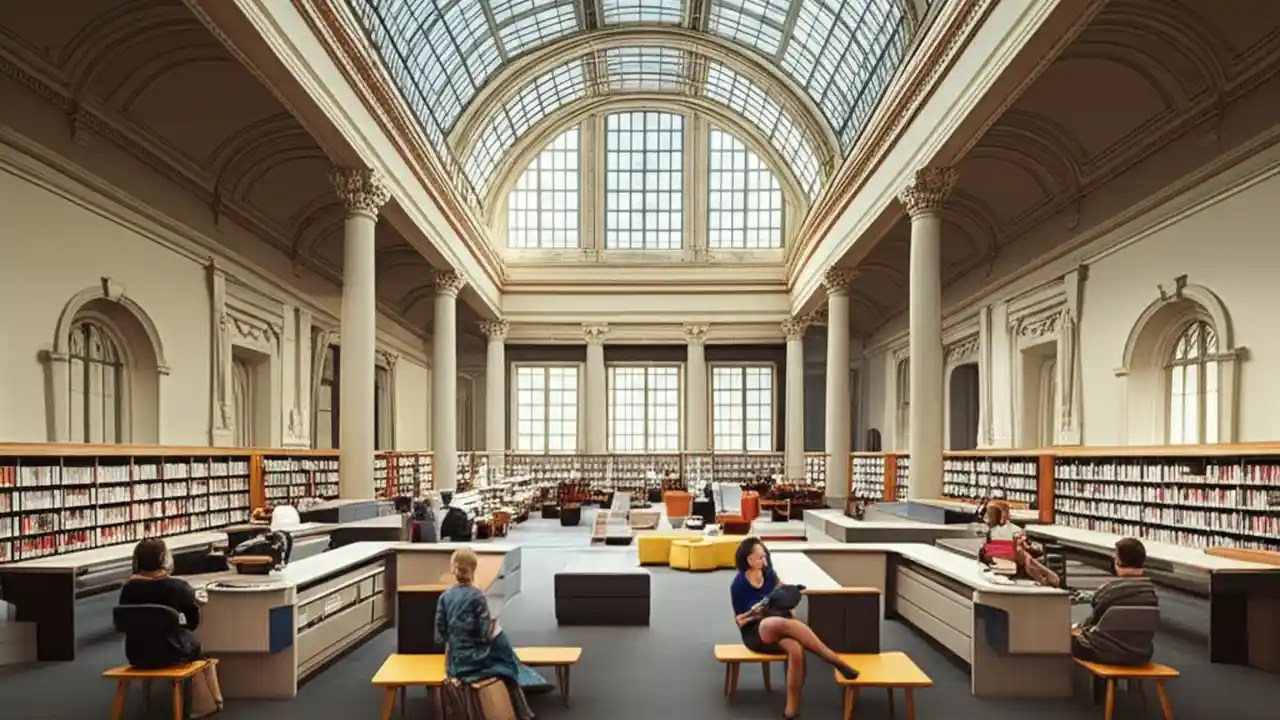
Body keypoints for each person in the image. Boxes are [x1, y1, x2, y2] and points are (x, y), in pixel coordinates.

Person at [730, 538, 859, 720]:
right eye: (761, 558)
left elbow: (782, 590)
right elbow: (740, 621)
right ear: (749, 560)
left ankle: (791, 711)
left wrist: (788, 602)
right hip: (755, 633)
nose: (765, 561)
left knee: (796, 650)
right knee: (772, 623)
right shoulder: (738, 586)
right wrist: (758, 613)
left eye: (765, 557)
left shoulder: (769, 574)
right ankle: (833, 658)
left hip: (778, 624)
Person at [435, 548, 549, 718]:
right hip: (475, 662)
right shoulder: (477, 596)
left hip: (454, 664)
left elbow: (439, 635)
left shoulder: (444, 597)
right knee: (508, 663)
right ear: (473, 569)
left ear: (453, 569)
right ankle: (524, 712)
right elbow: (484, 635)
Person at [118, 538, 223, 717]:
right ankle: (209, 703)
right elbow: (192, 624)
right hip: (172, 652)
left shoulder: (128, 589)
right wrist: (195, 604)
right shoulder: (177, 587)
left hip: (136, 654)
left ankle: (146, 702)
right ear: (164, 559)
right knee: (197, 652)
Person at [1071, 537, 1159, 665]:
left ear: (1118, 560)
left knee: (1064, 640)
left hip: (1103, 652)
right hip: (1141, 655)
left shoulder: (1109, 591)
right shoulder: (1151, 593)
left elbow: (1093, 620)